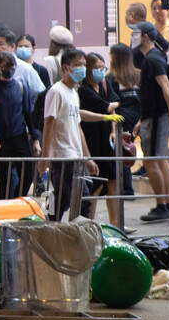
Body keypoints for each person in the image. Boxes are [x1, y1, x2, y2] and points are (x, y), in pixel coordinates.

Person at [37, 49, 116, 221]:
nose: (82, 69)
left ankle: (52, 229)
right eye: (77, 65)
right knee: (80, 200)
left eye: (83, 65)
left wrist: (87, 157)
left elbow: (77, 127)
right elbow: (48, 124)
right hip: (63, 158)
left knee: (63, 201)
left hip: (75, 156)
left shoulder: (74, 93)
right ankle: (68, 234)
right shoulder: (56, 92)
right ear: (65, 68)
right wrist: (45, 157)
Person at [135, 22, 169, 222]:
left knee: (152, 161)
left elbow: (166, 86)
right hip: (155, 116)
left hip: (158, 117)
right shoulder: (153, 58)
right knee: (161, 159)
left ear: (144, 36)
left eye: (135, 33)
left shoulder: (153, 59)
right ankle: (167, 204)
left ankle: (162, 205)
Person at [77, 52, 121, 225]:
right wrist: (111, 107)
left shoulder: (104, 84)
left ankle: (116, 224)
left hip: (106, 138)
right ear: (88, 69)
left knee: (113, 182)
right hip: (92, 139)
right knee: (95, 185)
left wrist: (113, 130)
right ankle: (90, 224)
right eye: (97, 68)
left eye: (103, 67)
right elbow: (108, 106)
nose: (102, 71)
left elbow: (114, 105)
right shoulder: (84, 90)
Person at [0, 51, 38, 200]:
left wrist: (35, 138)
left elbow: (29, 114)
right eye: (5, 66)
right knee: (6, 179)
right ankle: (6, 204)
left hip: (20, 137)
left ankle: (17, 199)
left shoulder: (21, 87)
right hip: (2, 140)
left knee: (28, 173)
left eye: (12, 66)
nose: (9, 69)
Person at [108, 42, 143, 200]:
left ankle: (126, 189)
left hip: (120, 119)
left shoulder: (110, 78)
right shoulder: (138, 75)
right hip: (137, 119)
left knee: (120, 153)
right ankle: (127, 189)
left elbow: (112, 103)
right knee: (127, 151)